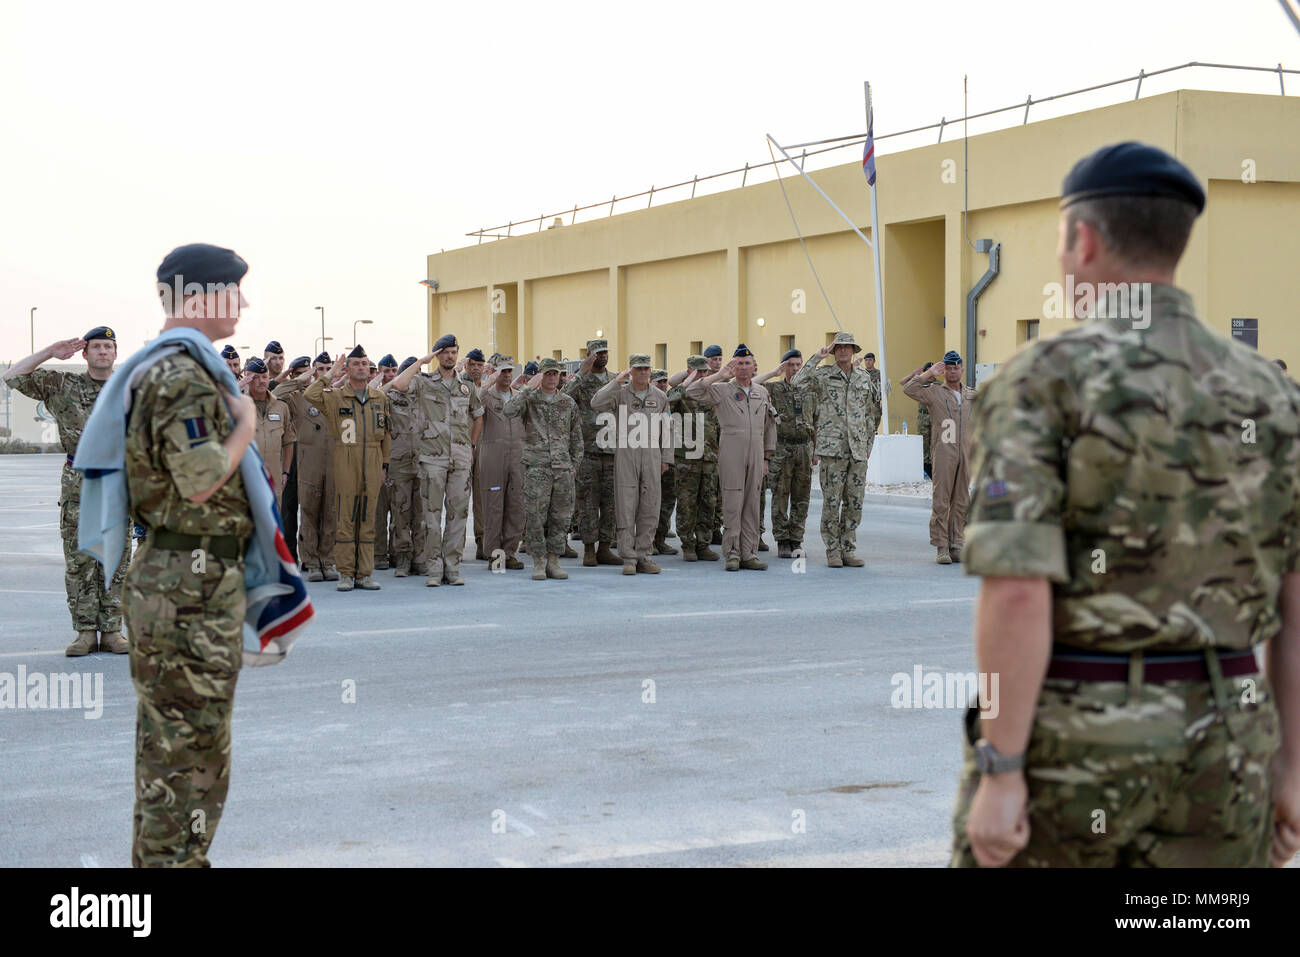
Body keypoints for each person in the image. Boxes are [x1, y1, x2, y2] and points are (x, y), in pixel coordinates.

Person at [951, 140, 1300, 869]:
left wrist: (1002, 767)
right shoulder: (1274, 395)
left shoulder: (1042, 380)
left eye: (1060, 242)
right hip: (1229, 746)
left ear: (1083, 240)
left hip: (1078, 745)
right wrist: (1292, 768)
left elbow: (1016, 591)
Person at [126, 241, 257, 866]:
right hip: (185, 589)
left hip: (190, 582)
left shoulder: (182, 368)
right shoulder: (180, 376)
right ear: (201, 297)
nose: (244, 303)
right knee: (184, 756)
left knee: (186, 749)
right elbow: (200, 478)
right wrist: (246, 426)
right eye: (235, 291)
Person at [4, 327, 132, 655]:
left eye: (108, 347)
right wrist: (51, 351)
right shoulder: (63, 384)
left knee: (116, 561)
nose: (103, 352)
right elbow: (12, 376)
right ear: (85, 353)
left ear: (115, 353)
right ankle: (85, 632)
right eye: (96, 347)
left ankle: (112, 631)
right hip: (80, 483)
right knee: (80, 561)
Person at [388, 334, 483, 587]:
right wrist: (421, 361)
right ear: (437, 356)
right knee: (431, 516)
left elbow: (478, 416)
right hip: (432, 459)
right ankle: (433, 568)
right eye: (444, 353)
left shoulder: (467, 386)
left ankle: (452, 568)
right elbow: (399, 384)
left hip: (460, 459)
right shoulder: (424, 382)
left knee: (458, 514)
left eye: (453, 352)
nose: (450, 356)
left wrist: (471, 446)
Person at [304, 345, 391, 591]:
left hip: (373, 458)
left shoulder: (379, 398)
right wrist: (332, 371)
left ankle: (364, 574)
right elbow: (310, 394)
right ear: (347, 369)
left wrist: (384, 465)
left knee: (368, 518)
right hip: (345, 457)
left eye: (364, 363)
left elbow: (386, 434)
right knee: (346, 517)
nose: (361, 368)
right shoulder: (335, 396)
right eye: (356, 364)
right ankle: (345, 573)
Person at [791, 332, 880, 567]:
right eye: (838, 347)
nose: (842, 350)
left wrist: (868, 443)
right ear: (833, 351)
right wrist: (816, 358)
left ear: (854, 350)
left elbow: (870, 413)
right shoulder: (823, 375)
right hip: (832, 449)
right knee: (832, 502)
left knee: (854, 502)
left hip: (857, 449)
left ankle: (848, 549)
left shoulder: (863, 377)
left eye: (847, 347)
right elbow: (796, 382)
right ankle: (832, 550)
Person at [687, 345, 776, 571]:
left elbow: (769, 426)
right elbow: (692, 392)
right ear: (733, 367)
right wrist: (719, 375)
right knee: (733, 503)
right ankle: (733, 553)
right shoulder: (722, 390)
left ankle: (749, 553)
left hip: (756, 452)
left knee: (752, 504)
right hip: (732, 451)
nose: (743, 367)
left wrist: (766, 458)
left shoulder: (761, 392)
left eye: (747, 363)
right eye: (739, 364)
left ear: (754, 367)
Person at [592, 354, 675, 575]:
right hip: (626, 454)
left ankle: (644, 556)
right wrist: (615, 382)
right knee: (626, 506)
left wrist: (666, 458)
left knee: (650, 506)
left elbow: (667, 428)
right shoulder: (620, 394)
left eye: (646, 368)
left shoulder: (660, 396)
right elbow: (596, 402)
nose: (643, 372)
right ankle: (628, 558)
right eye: (638, 369)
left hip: (652, 455)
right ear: (631, 371)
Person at [504, 358, 583, 581]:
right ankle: (538, 561)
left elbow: (577, 437)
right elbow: (508, 411)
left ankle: (553, 561)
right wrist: (526, 389)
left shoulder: (567, 403)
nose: (551, 378)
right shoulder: (530, 399)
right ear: (541, 375)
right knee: (535, 516)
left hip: (562, 468)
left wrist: (574, 465)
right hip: (537, 467)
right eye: (547, 374)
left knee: (561, 516)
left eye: (555, 374)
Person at [904, 351, 977, 565]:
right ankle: (942, 546)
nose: (952, 372)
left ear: (962, 370)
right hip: (944, 451)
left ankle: (957, 545)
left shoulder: (971, 395)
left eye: (956, 368)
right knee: (941, 501)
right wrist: (929, 374)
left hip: (966, 452)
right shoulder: (934, 392)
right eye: (949, 368)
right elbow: (909, 389)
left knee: (962, 501)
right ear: (943, 371)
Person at [273, 352, 337, 581]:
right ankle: (311, 561)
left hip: (331, 462)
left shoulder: (337, 395)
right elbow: (275, 393)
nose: (324, 374)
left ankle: (327, 560)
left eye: (327, 369)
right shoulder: (298, 397)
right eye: (319, 370)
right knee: (308, 512)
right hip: (307, 462)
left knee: (330, 513)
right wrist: (301, 379)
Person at [565, 339, 620, 566]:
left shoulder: (615, 380)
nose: (602, 356)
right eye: (597, 353)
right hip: (587, 450)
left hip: (612, 450)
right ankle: (589, 548)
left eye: (605, 352)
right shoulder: (580, 380)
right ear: (589, 355)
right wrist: (581, 372)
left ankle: (605, 547)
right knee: (587, 502)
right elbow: (564, 397)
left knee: (610, 503)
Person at [758, 349, 815, 559]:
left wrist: (816, 450)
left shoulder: (810, 390)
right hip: (781, 447)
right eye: (790, 365)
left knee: (802, 496)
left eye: (798, 365)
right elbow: (751, 384)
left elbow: (816, 420)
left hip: (804, 448)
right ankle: (782, 539)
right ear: (784, 367)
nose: (795, 369)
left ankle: (796, 539)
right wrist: (774, 373)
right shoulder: (774, 389)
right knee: (780, 495)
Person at [668, 356, 720, 562]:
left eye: (705, 372)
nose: (702, 375)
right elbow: (667, 403)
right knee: (687, 503)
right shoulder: (681, 394)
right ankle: (688, 545)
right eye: (698, 371)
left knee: (708, 502)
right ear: (689, 371)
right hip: (687, 457)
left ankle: (703, 544)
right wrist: (686, 382)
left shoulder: (711, 392)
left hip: (709, 456)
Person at [477, 358, 526, 569]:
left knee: (516, 506)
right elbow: (474, 405)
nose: (506, 375)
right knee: (494, 507)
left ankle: (510, 552)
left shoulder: (519, 396)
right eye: (502, 371)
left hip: (517, 457)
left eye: (509, 371)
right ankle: (495, 556)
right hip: (493, 457)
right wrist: (488, 382)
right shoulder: (487, 395)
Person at [383, 356, 427, 577]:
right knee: (400, 512)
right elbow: (375, 395)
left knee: (422, 513)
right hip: (399, 462)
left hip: (423, 461)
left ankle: (420, 557)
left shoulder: (427, 397)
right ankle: (402, 557)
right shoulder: (390, 397)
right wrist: (394, 382)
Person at [243, 358, 296, 510]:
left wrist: (285, 472)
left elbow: (288, 442)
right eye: (256, 377)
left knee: (274, 519)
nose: (261, 381)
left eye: (264, 377)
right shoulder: (239, 406)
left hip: (274, 478)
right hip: (247, 478)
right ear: (247, 379)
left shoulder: (281, 406)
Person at [277, 355, 311, 561]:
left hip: (312, 457)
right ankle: (290, 555)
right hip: (292, 457)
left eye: (307, 374)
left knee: (310, 510)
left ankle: (310, 557)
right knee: (289, 510)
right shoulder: (287, 396)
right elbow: (276, 392)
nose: (305, 378)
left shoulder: (317, 395)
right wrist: (295, 381)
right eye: (299, 374)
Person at [371, 355, 399, 570]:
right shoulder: (374, 396)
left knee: (399, 510)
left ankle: (396, 552)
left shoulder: (404, 394)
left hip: (400, 459)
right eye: (385, 371)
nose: (390, 375)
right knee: (379, 511)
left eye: (393, 371)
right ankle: (379, 553)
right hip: (379, 459)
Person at [461, 348, 489, 560]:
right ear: (466, 366)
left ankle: (482, 540)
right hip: (462, 445)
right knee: (459, 497)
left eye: (480, 365)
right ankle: (456, 545)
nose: (476, 369)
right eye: (472, 365)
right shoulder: (458, 386)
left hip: (483, 447)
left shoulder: (488, 389)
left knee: (482, 497)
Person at [650, 369, 678, 555]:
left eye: (664, 381)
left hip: (666, 457)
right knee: (647, 503)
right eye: (658, 381)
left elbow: (668, 429)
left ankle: (659, 539)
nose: (662, 384)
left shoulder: (668, 400)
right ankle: (646, 540)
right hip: (647, 457)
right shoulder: (645, 401)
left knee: (667, 501)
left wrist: (667, 459)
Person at [901, 362, 937, 480]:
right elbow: (903, 383)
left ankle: (933, 468)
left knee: (935, 443)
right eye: (928, 370)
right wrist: (913, 375)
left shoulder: (939, 384)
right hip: (923, 417)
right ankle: (924, 468)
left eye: (932, 370)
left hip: (935, 416)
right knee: (923, 444)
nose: (930, 373)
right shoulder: (919, 383)